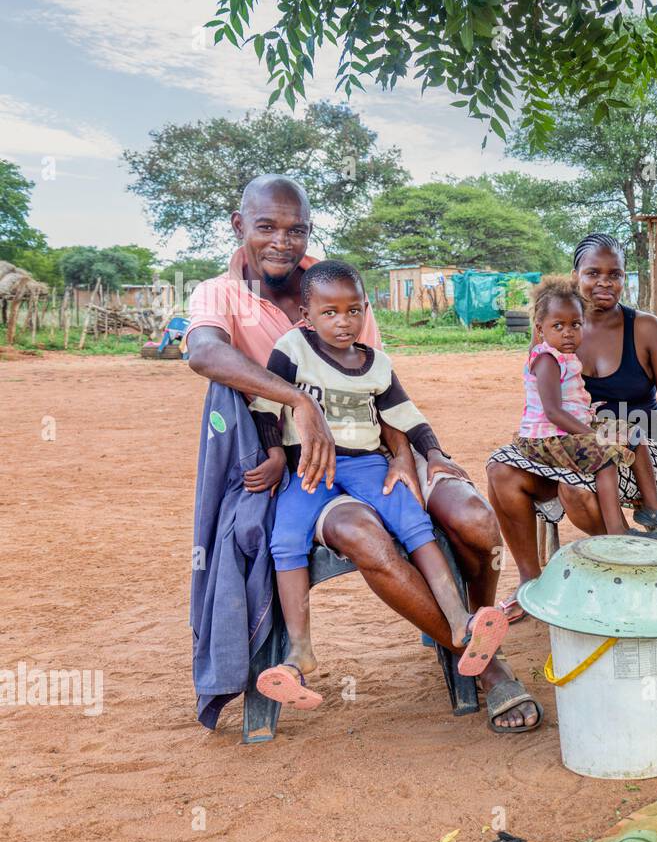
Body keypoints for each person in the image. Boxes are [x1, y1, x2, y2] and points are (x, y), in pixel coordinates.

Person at [185, 174, 540, 732]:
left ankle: (461, 622)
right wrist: (298, 401)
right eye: (267, 227)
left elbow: (381, 386)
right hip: (304, 462)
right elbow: (204, 353)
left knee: (474, 520)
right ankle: (480, 661)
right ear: (239, 227)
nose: (283, 240)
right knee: (360, 533)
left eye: (296, 229)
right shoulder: (217, 293)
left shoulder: (336, 286)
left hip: (377, 448)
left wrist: (406, 454)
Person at [247, 261, 509, 710]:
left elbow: (406, 417)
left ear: (366, 310)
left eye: (353, 310)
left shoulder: (376, 365)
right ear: (307, 314)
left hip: (368, 464)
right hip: (307, 469)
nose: (343, 321)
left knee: (413, 523)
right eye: (329, 312)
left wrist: (435, 455)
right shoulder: (292, 349)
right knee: (285, 542)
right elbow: (265, 405)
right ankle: (299, 653)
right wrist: (274, 457)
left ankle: (459, 619)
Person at [486, 234, 657, 619]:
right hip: (573, 440)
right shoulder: (552, 327)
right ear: (575, 275)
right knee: (500, 469)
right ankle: (532, 583)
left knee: (575, 487)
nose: (605, 282)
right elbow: (542, 399)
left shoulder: (646, 329)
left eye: (615, 274)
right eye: (593, 272)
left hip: (639, 446)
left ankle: (624, 568)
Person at [512, 275, 657, 537]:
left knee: (633, 433)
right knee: (605, 455)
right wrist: (593, 433)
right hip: (547, 437)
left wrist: (590, 411)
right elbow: (553, 412)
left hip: (567, 429)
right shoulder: (546, 360)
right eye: (558, 326)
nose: (568, 332)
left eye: (575, 325)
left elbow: (570, 400)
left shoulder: (565, 357)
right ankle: (619, 530)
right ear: (540, 330)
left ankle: (652, 508)